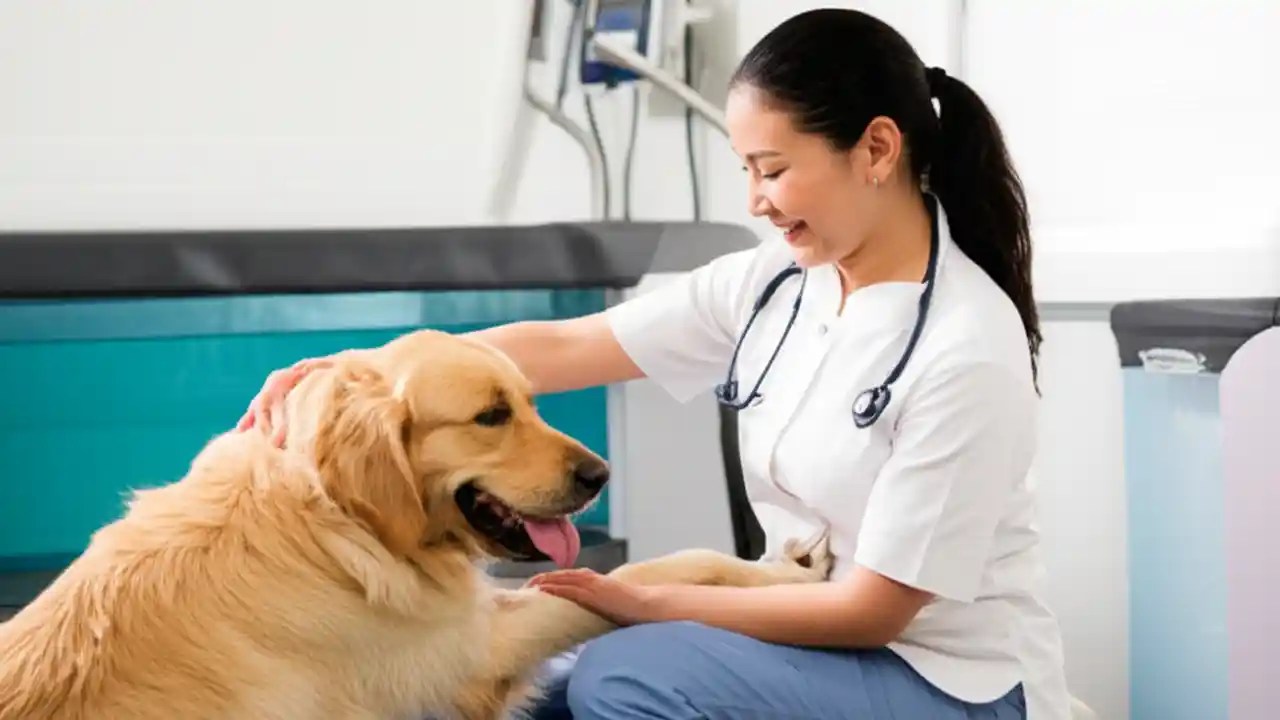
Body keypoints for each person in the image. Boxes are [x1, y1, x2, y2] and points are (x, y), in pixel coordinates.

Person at [239, 8, 1071, 719]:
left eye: (773, 170)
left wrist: (640, 604)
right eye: (746, 170)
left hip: (943, 677)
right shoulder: (780, 281)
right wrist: (349, 374)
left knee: (623, 679)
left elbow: (872, 611)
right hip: (808, 622)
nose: (755, 201)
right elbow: (569, 345)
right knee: (541, 690)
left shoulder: (965, 346)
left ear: (877, 149)